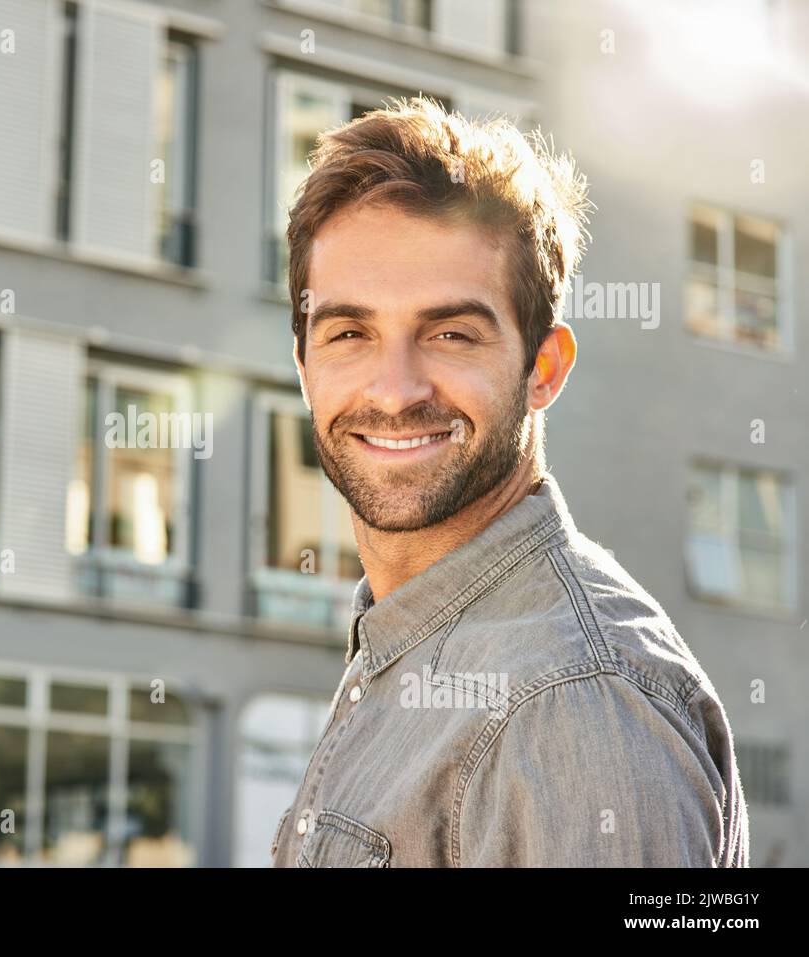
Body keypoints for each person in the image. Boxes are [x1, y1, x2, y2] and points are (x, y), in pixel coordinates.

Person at [270, 98, 748, 867]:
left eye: (451, 333)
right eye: (350, 333)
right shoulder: (405, 643)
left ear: (543, 369)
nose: (393, 391)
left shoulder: (574, 701)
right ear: (304, 364)